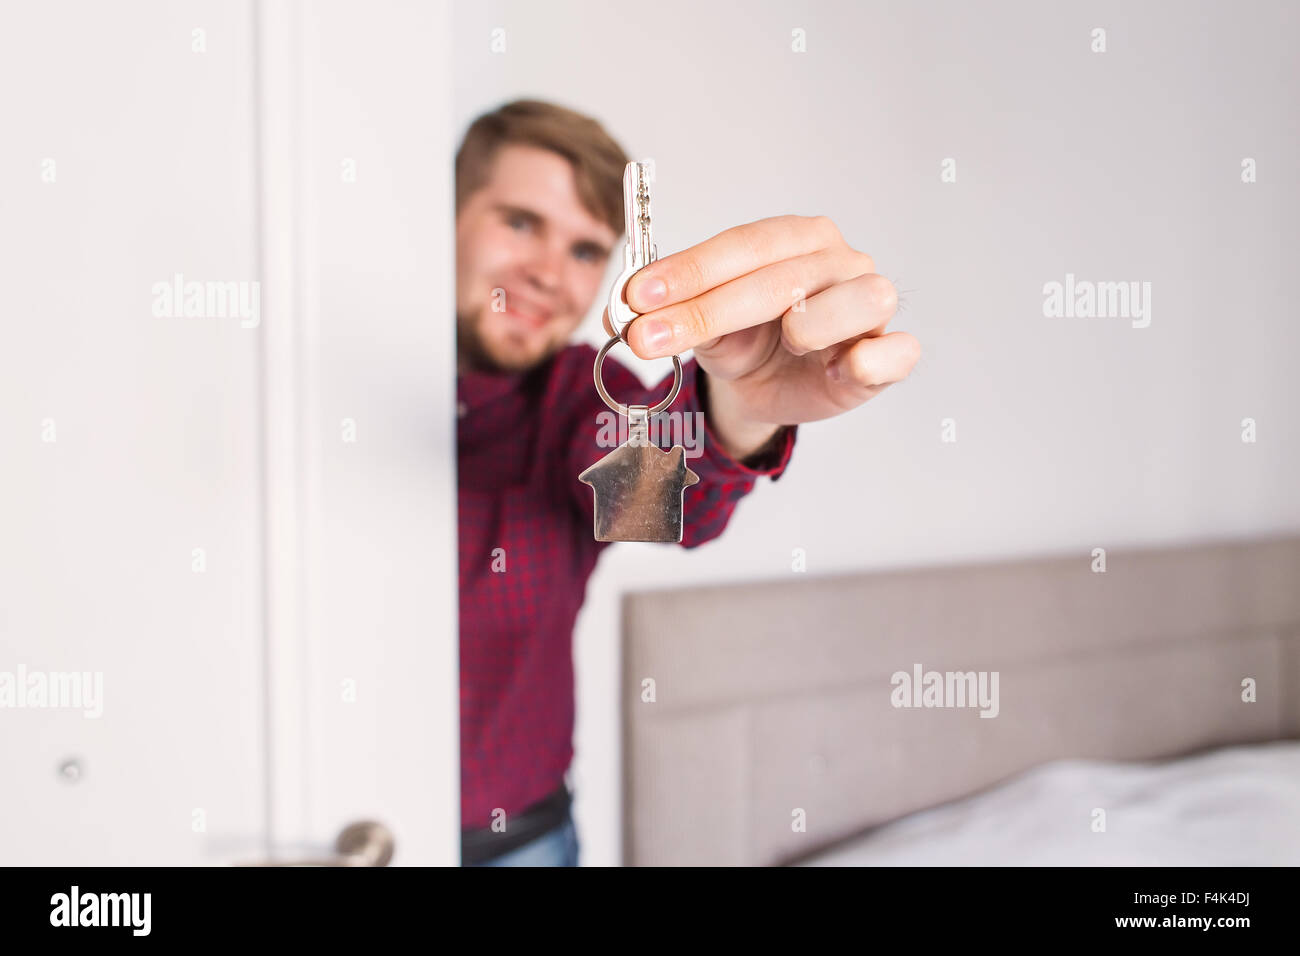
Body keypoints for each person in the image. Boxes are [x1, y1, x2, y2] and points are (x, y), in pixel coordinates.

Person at [456, 100, 920, 866]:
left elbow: (656, 503)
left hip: (520, 843)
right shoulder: (302, 395)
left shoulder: (579, 398)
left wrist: (735, 410)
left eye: (584, 250)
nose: (547, 271)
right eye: (521, 222)